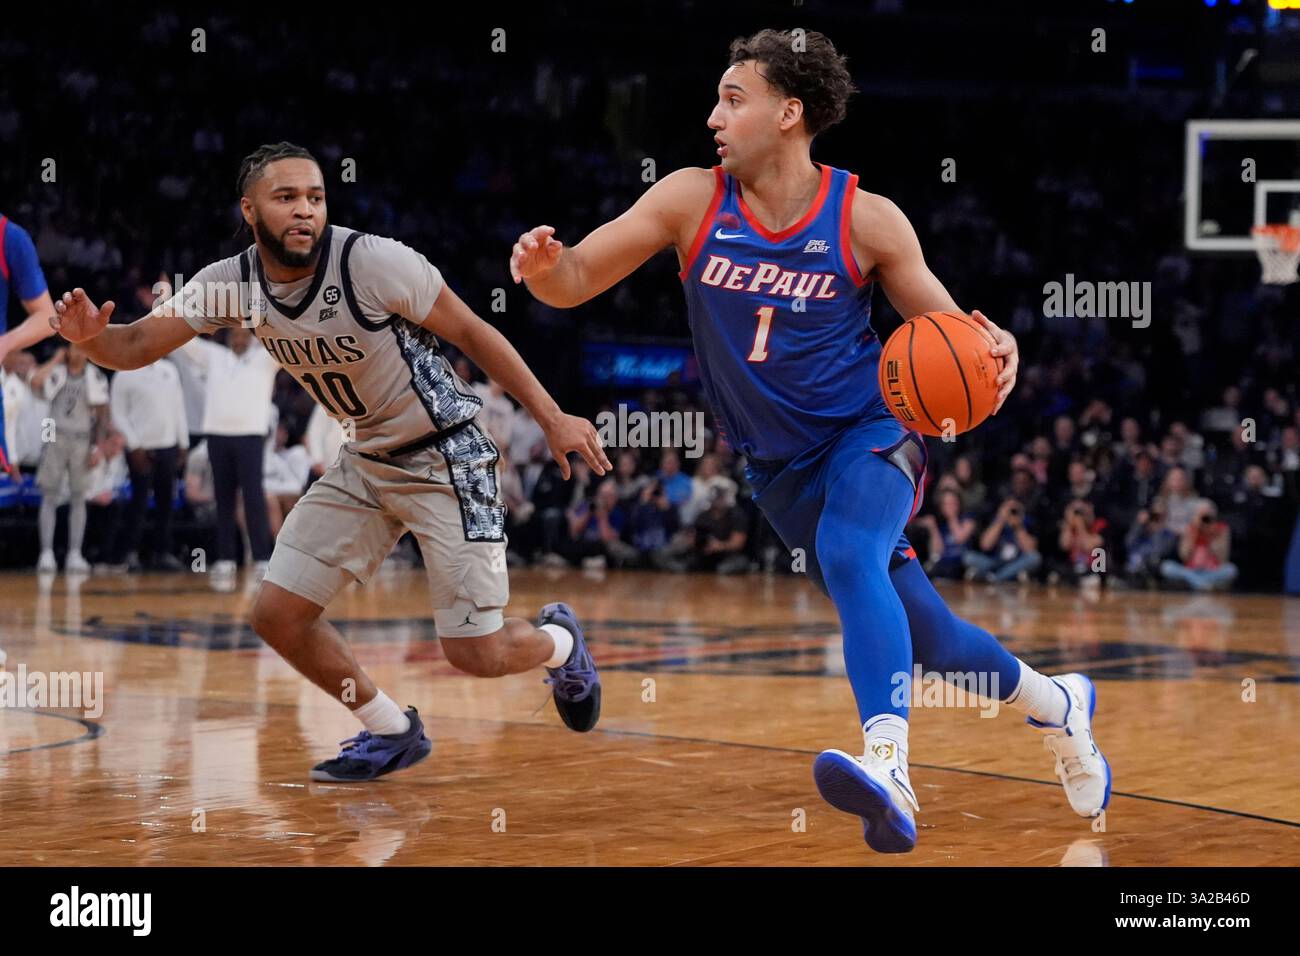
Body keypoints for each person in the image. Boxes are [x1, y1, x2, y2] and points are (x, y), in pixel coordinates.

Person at [510, 29, 1108, 852]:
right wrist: (544, 269)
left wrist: (996, 345)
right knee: (931, 641)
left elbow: (951, 332)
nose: (713, 116)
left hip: (872, 431)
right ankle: (1060, 704)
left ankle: (890, 765)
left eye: (733, 99)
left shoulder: (866, 219)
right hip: (777, 470)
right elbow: (577, 278)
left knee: (850, 553)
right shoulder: (690, 199)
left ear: (789, 113)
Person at [52, 142, 613, 782]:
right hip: (366, 459)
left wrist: (552, 416)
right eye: (286, 198)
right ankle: (392, 730)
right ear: (249, 210)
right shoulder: (231, 283)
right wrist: (90, 339)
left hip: (445, 457)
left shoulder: (372, 262)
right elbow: (133, 344)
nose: (305, 211)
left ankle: (561, 643)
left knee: (474, 653)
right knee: (277, 614)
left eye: (315, 198)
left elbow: (472, 333)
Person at [29, 344, 110, 573]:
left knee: (78, 496)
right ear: (67, 351)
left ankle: (75, 553)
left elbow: (103, 414)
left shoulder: (95, 376)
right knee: (49, 494)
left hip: (82, 439)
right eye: (74, 349)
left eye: (82, 349)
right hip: (55, 435)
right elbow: (34, 383)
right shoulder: (56, 372)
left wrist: (98, 447)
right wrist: (55, 360)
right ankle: (46, 553)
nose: (78, 353)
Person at [108, 357, 189, 570]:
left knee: (166, 502)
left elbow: (178, 408)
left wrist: (183, 443)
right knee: (139, 501)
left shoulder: (169, 370)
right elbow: (118, 414)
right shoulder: (124, 372)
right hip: (139, 447)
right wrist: (134, 446)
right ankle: (130, 552)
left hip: (168, 444)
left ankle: (162, 552)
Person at [1160, 498, 1237, 592]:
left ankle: (1197, 583)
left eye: (1207, 516)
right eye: (1201, 516)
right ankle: (1202, 584)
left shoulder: (1222, 529)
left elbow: (1222, 557)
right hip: (1191, 570)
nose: (1204, 520)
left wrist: (1211, 534)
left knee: (1231, 569)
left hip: (1212, 570)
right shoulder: (1190, 529)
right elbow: (1184, 556)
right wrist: (1194, 533)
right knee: (1167, 567)